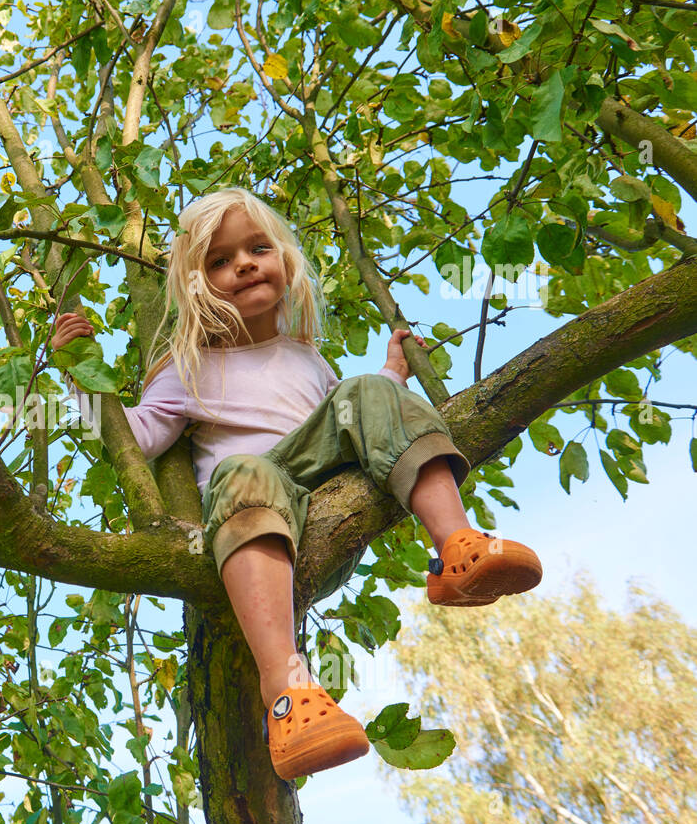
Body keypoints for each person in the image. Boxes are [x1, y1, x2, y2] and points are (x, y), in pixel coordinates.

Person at [50, 187, 542, 781]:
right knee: (246, 470)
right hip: (253, 524)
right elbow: (138, 438)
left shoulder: (310, 358)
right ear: (197, 286)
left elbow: (361, 421)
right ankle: (289, 693)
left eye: (258, 248)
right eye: (221, 261)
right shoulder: (190, 367)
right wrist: (82, 379)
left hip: (324, 514)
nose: (245, 264)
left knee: (368, 389)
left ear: (285, 259)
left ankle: (458, 547)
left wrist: (391, 377)